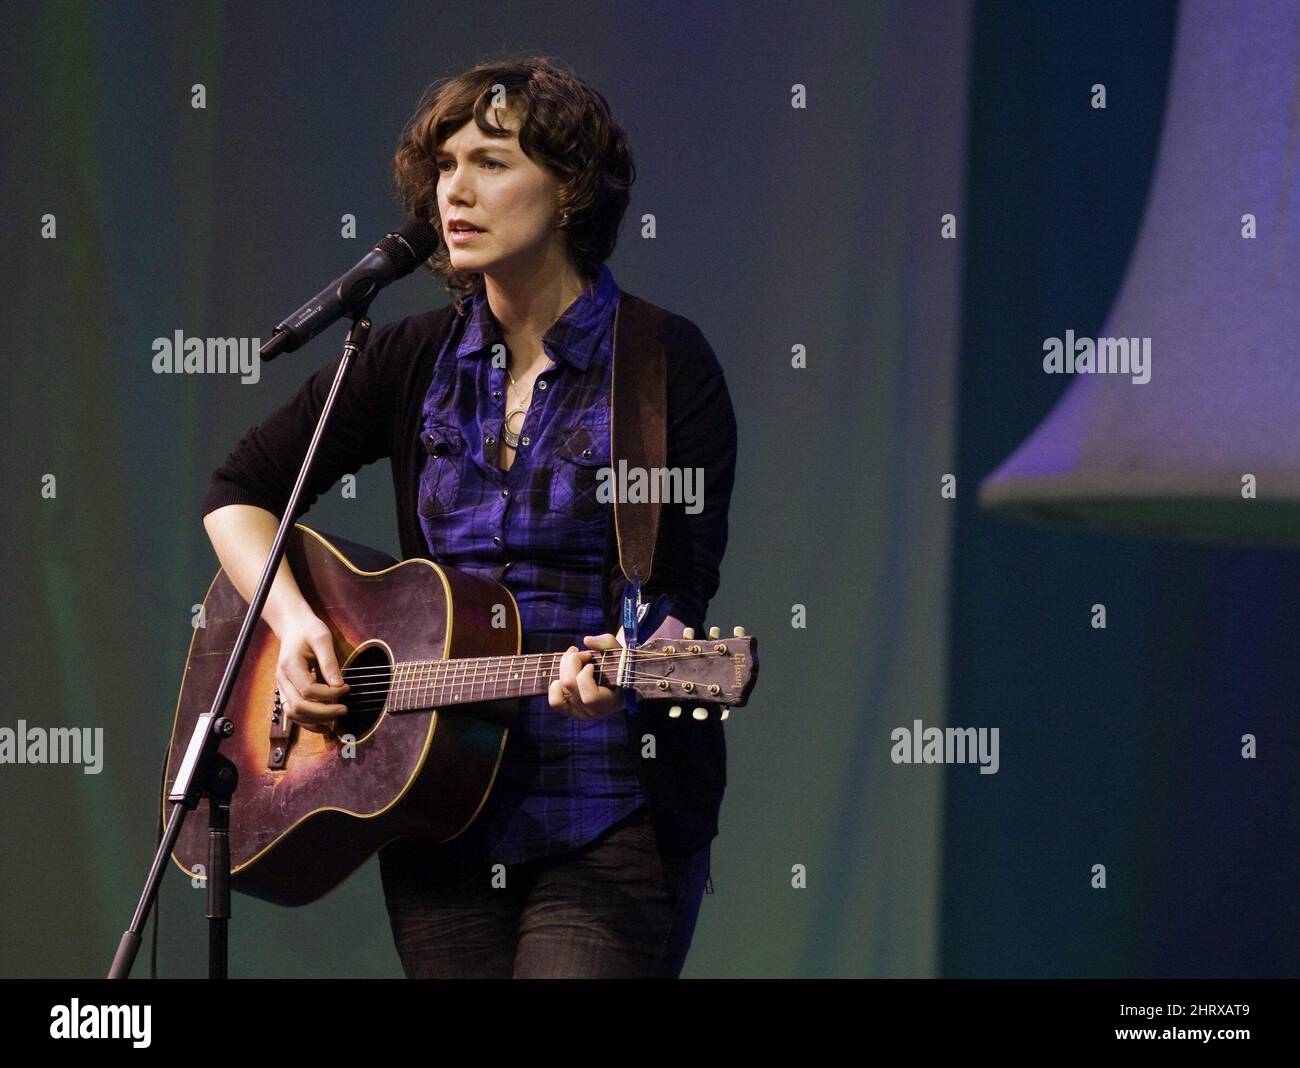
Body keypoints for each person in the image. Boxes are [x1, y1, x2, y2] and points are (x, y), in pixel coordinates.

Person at [200, 55, 738, 978]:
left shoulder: (661, 364)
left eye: (490, 162)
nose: (455, 189)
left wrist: (628, 662)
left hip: (605, 809)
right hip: (437, 807)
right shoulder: (413, 357)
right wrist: (293, 628)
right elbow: (239, 493)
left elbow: (679, 591)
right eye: (444, 166)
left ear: (569, 188)